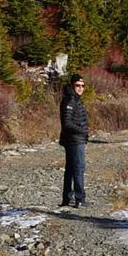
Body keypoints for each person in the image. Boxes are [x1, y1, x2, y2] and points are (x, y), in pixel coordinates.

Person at [58, 75, 89, 207]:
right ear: (72, 86)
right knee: (78, 168)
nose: (80, 88)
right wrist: (82, 131)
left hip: (74, 139)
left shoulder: (75, 99)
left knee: (71, 169)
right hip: (74, 140)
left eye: (82, 85)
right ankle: (79, 199)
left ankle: (67, 199)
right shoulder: (70, 100)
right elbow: (67, 123)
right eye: (77, 85)